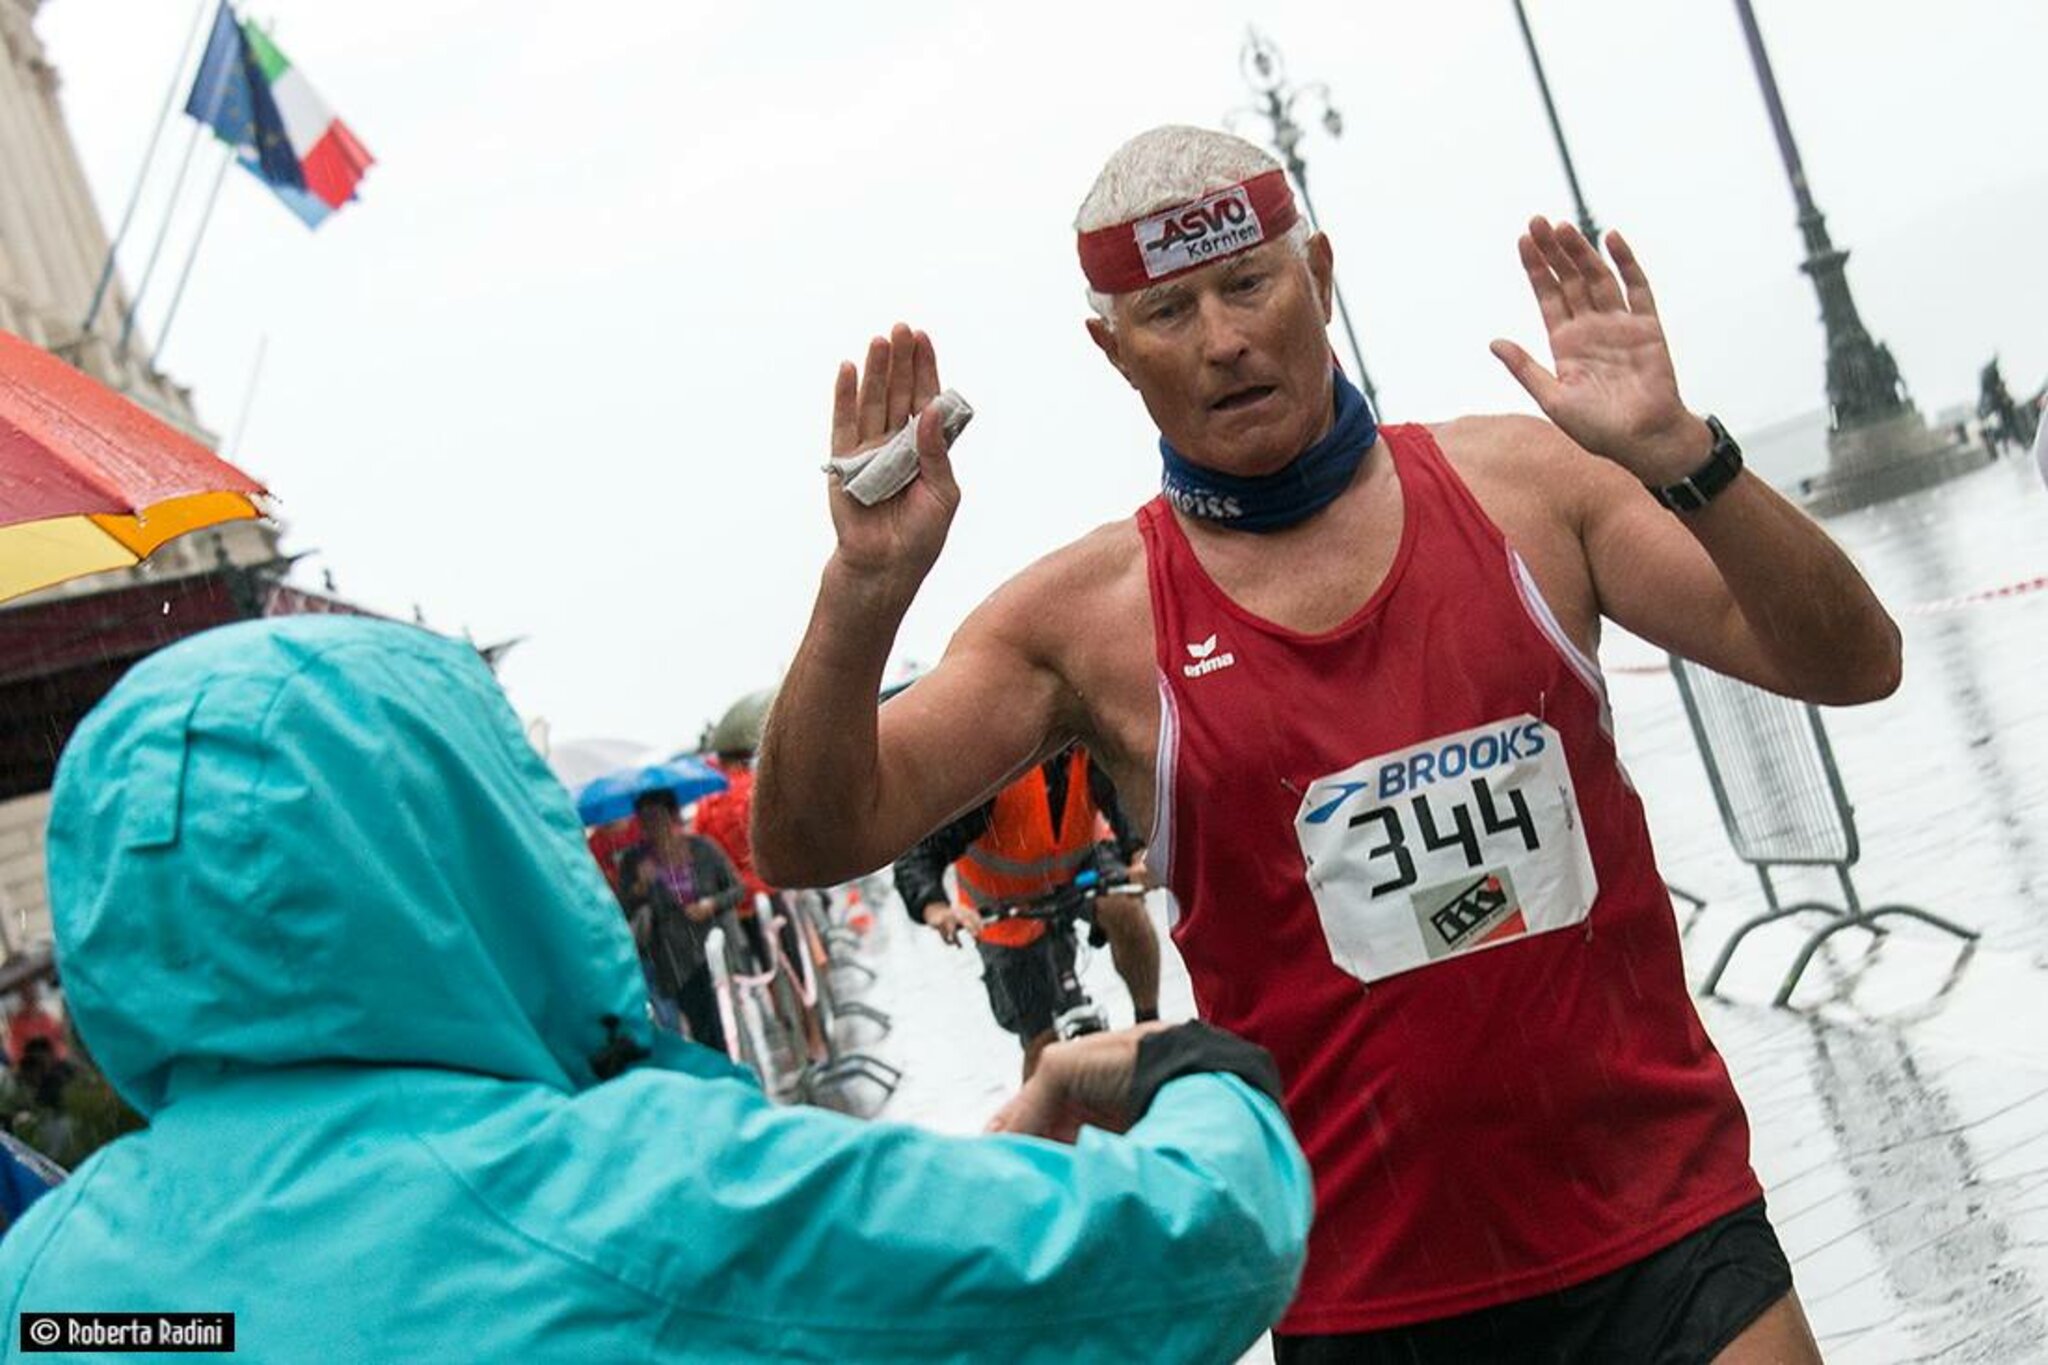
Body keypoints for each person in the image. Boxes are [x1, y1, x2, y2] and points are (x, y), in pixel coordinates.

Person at [755, 125, 1907, 1361]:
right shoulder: (1085, 623)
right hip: (1364, 1296)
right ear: (1110, 350)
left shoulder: (1530, 487)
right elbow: (811, 839)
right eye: (1166, 311)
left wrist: (1688, 459)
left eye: (1249, 283)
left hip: (1669, 1228)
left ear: (1321, 272)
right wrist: (864, 589)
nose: (1221, 338)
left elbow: (1851, 663)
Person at [0, 616, 1311, 1363]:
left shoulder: (48, 1282)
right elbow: (1193, 1242)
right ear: (476, 848)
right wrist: (1197, 1078)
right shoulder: (643, 1194)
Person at [893, 744, 1161, 1078]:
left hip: (1078, 873)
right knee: (1040, 1046)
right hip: (998, 913)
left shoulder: (1083, 748)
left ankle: (1150, 1026)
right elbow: (920, 850)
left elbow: (1124, 798)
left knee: (1124, 905)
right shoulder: (987, 772)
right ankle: (1044, 1123)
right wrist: (937, 910)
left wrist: (1139, 853)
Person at [615, 787, 744, 1051]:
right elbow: (624, 909)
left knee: (727, 1020)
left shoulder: (702, 848)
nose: (652, 826)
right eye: (645, 819)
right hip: (673, 960)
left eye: (657, 817)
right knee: (702, 1028)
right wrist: (639, 887)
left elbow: (736, 889)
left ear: (673, 815)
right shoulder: (633, 861)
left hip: (714, 948)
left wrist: (711, 904)